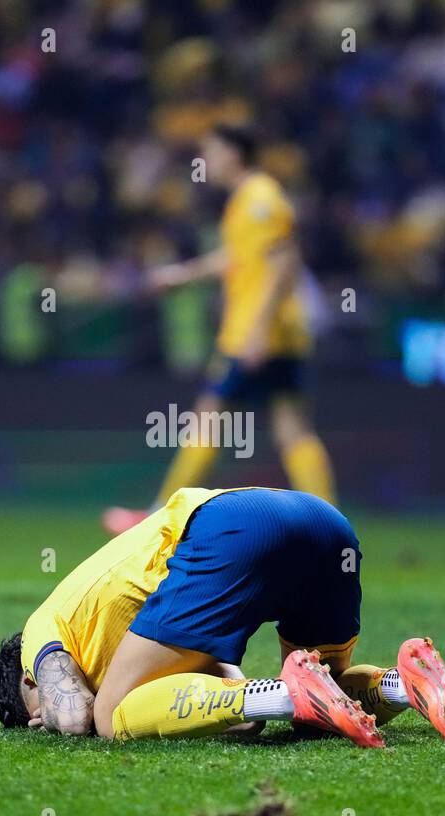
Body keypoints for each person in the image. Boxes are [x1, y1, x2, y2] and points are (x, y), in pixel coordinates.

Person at [0, 487, 445, 747]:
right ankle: (407, 685)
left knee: (109, 717)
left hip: (229, 528)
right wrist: (267, 703)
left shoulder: (42, 629)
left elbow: (75, 716)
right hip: (323, 522)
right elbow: (236, 713)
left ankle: (293, 692)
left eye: (31, 704)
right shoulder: (140, 648)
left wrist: (54, 714)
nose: (40, 711)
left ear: (26, 681)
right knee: (320, 711)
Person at [102, 125, 336, 535]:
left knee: (208, 419)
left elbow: (283, 263)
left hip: (256, 332)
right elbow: (241, 257)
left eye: (210, 151)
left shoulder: (261, 199)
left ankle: (158, 518)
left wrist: (259, 329)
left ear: (234, 153)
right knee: (291, 427)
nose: (204, 162)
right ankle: (332, 523)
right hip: (277, 332)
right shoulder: (248, 200)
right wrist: (184, 275)